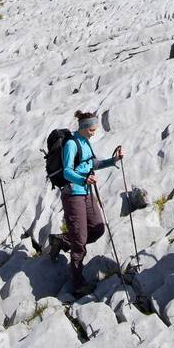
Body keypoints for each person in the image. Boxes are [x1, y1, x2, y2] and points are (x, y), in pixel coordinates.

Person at [50, 110, 123, 297]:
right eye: (92, 129)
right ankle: (77, 283)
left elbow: (93, 164)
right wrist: (84, 180)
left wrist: (112, 161)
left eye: (95, 128)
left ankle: (61, 240)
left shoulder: (85, 142)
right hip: (73, 194)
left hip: (86, 192)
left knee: (98, 228)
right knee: (80, 241)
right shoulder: (71, 145)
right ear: (83, 128)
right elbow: (67, 172)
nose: (94, 131)